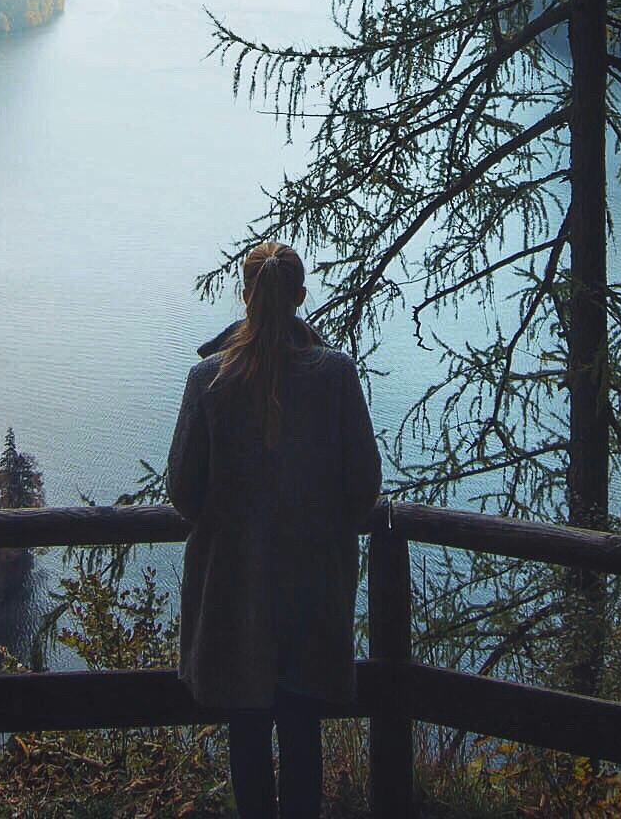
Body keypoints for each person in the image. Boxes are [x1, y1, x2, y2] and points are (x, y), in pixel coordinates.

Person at [167, 241, 383, 819]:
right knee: (302, 733)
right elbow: (364, 487)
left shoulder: (208, 380)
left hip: (236, 594)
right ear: (301, 297)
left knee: (247, 734)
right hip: (312, 594)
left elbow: (183, 494)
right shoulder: (334, 376)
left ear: (245, 295)